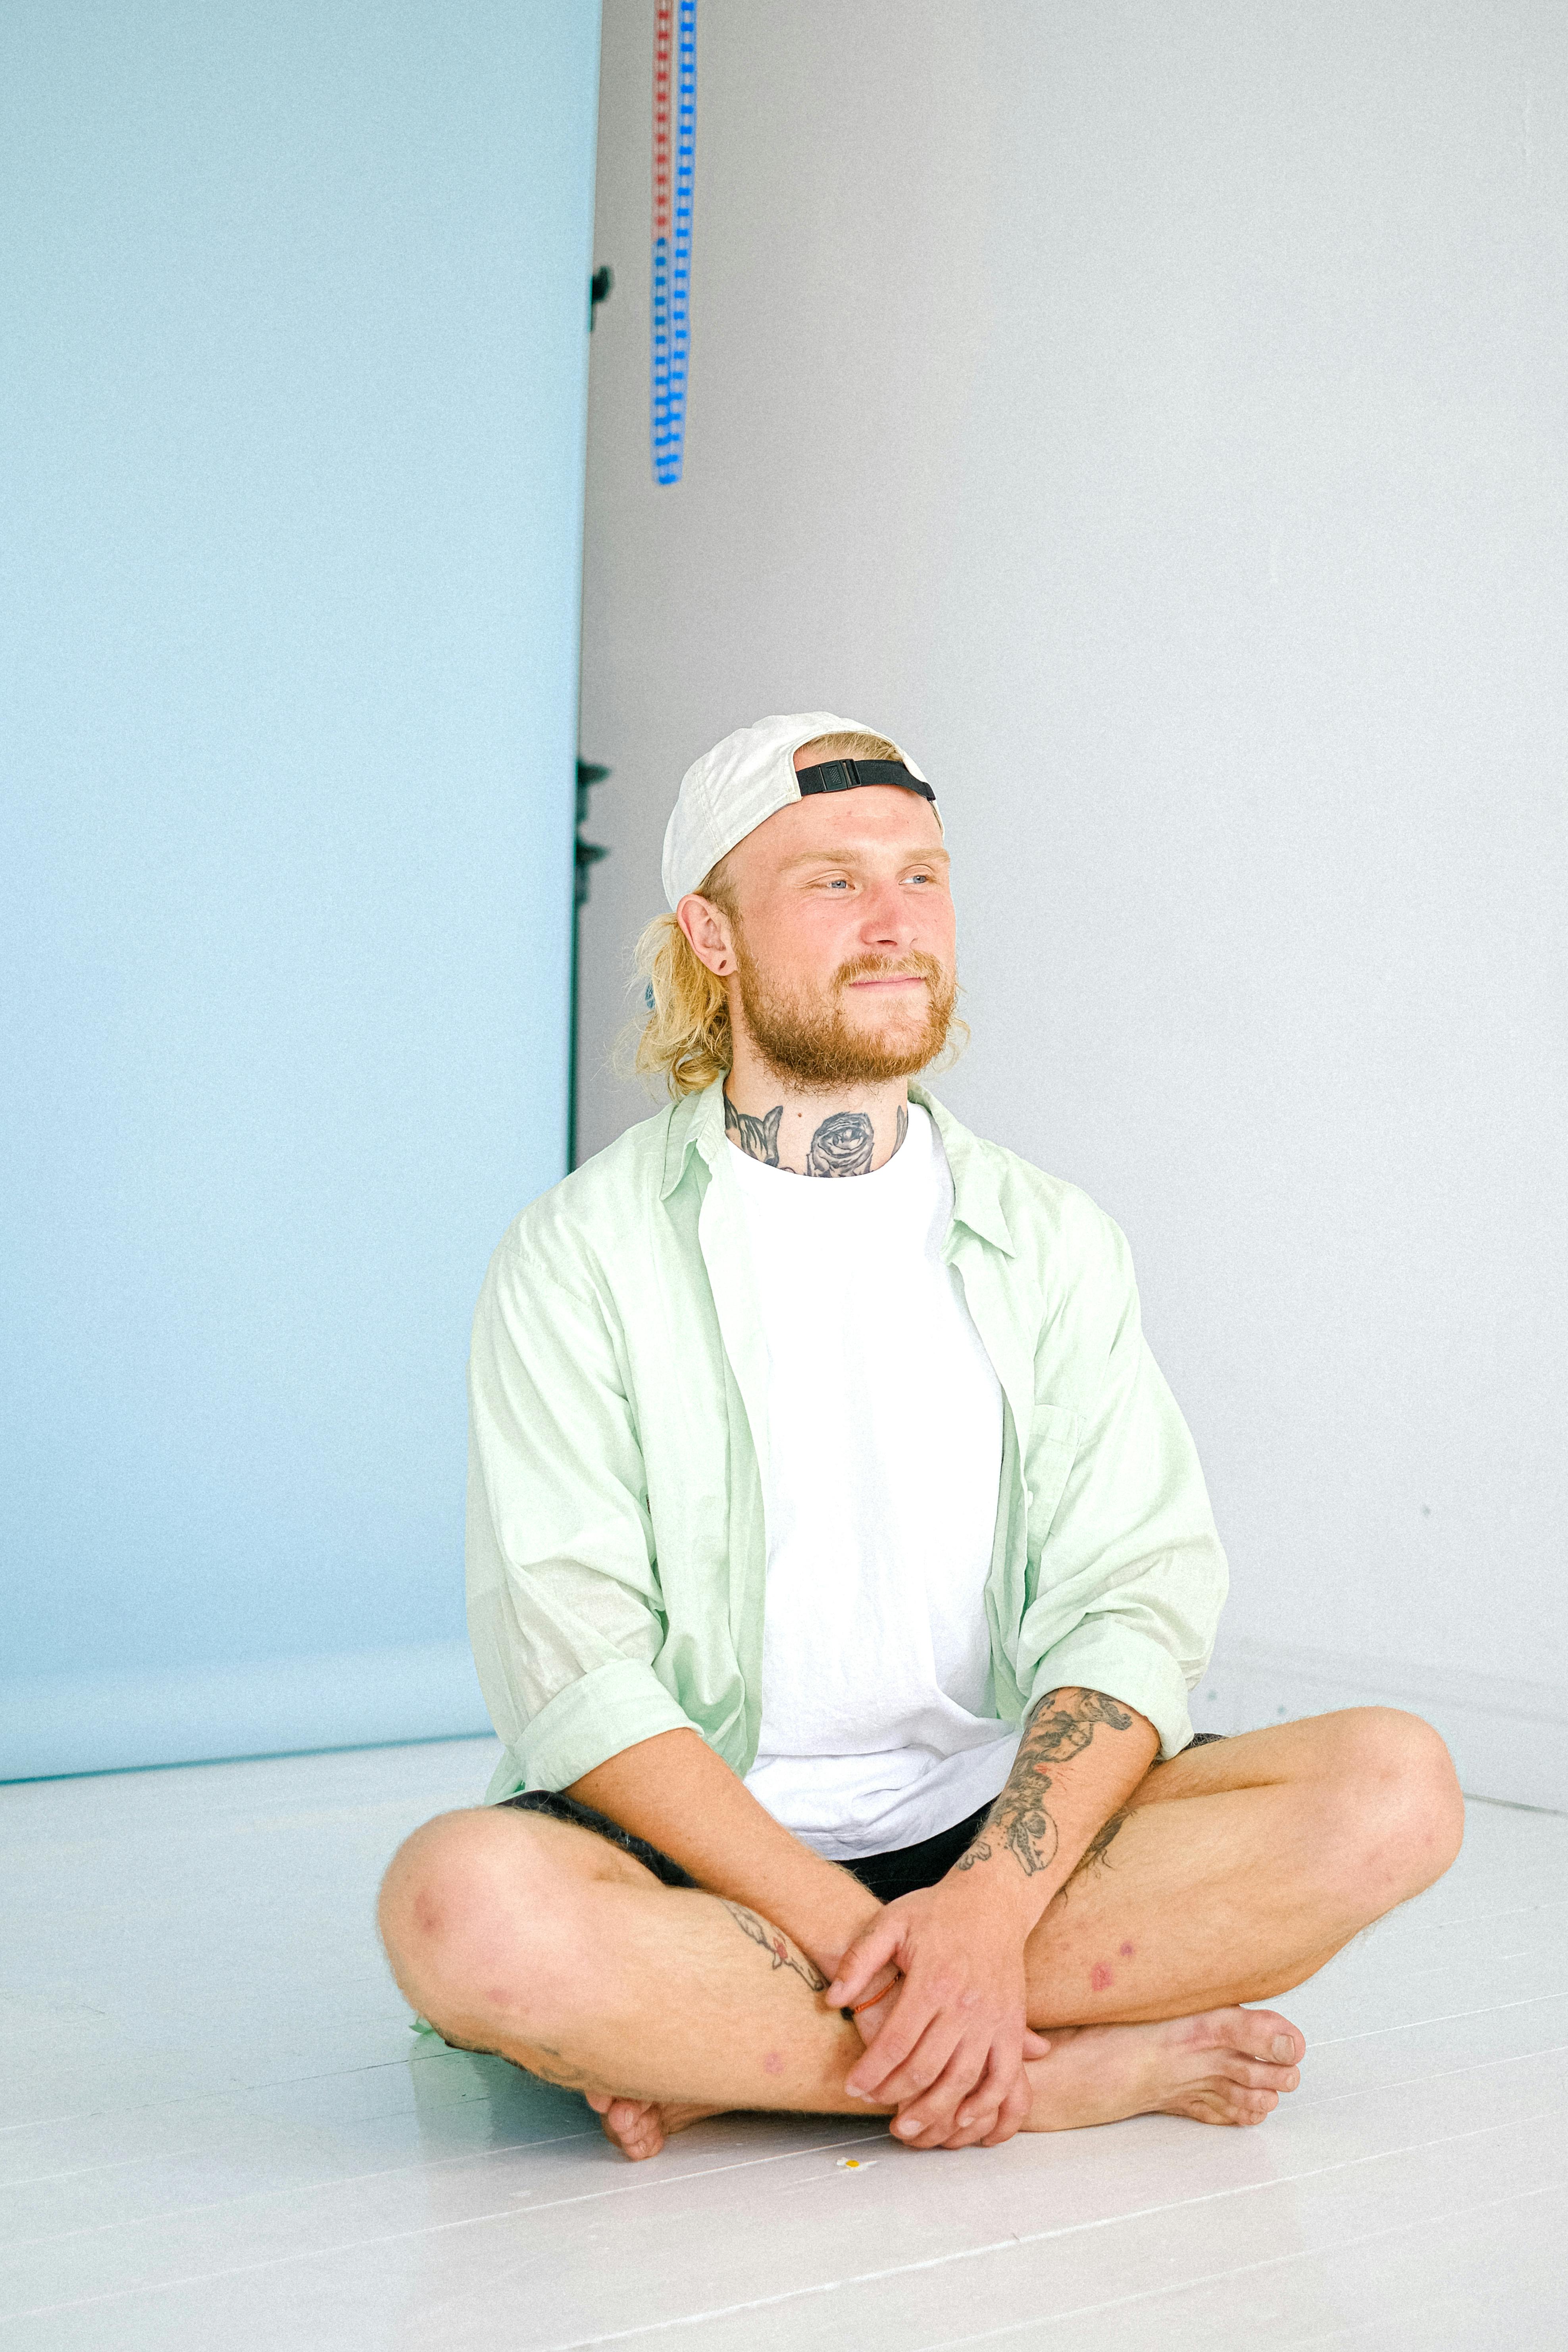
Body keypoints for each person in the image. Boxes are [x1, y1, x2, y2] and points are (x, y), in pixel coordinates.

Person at [379, 712, 1464, 2163]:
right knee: (461, 1909)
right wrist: (863, 1932)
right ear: (712, 932)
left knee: (1396, 1788)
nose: (896, 926)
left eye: (924, 878)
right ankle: (1041, 2068)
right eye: (833, 881)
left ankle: (752, 2057)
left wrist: (984, 1912)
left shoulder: (1054, 1238)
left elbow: (1132, 1603)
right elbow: (576, 1673)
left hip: (1000, 1844)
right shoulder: (577, 1254)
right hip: (703, 1870)